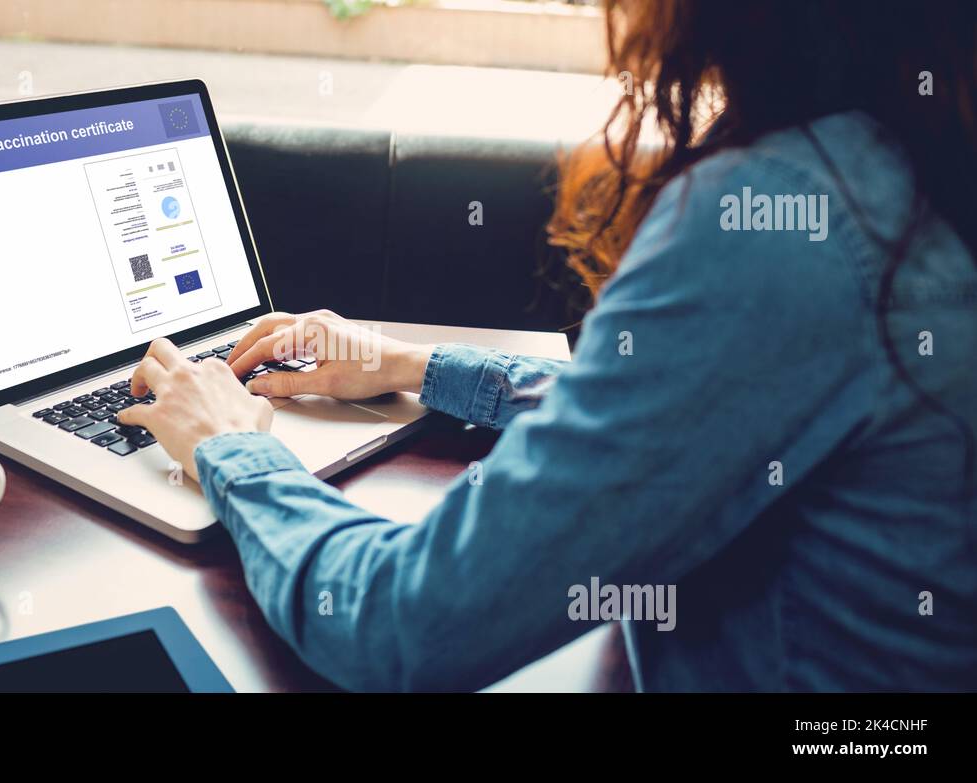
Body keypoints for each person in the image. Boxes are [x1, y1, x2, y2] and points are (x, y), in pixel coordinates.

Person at [117, 0, 977, 691]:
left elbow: (398, 626)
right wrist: (414, 366)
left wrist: (231, 449)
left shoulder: (782, 218)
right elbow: (695, 410)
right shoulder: (919, 158)